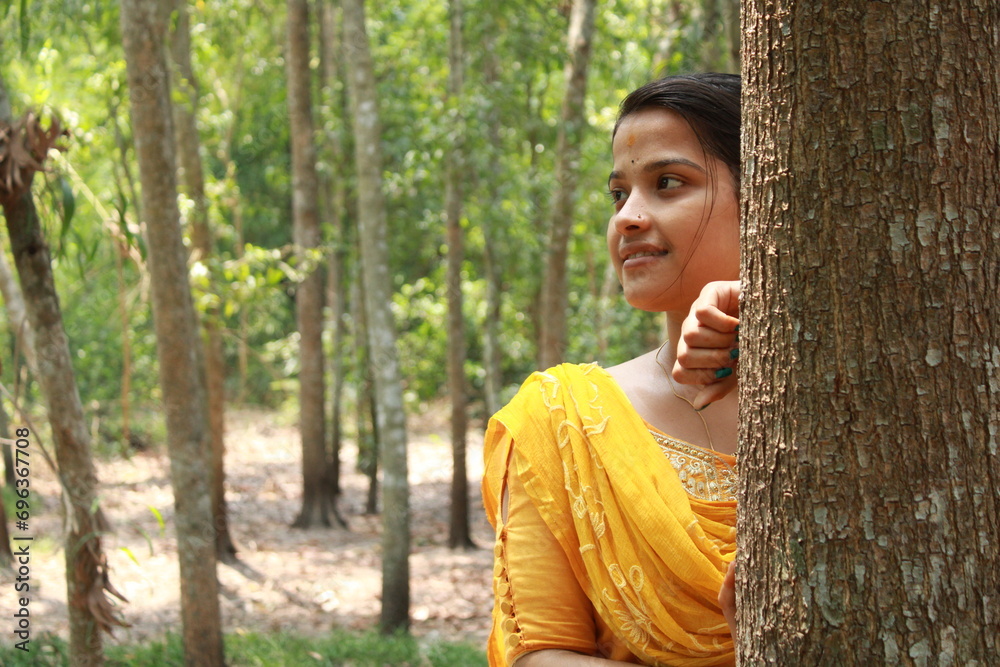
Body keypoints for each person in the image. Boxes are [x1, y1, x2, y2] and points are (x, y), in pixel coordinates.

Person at [482, 73, 743, 666]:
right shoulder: (561, 419)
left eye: (668, 183)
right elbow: (542, 655)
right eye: (619, 194)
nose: (628, 217)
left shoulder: (880, 394)